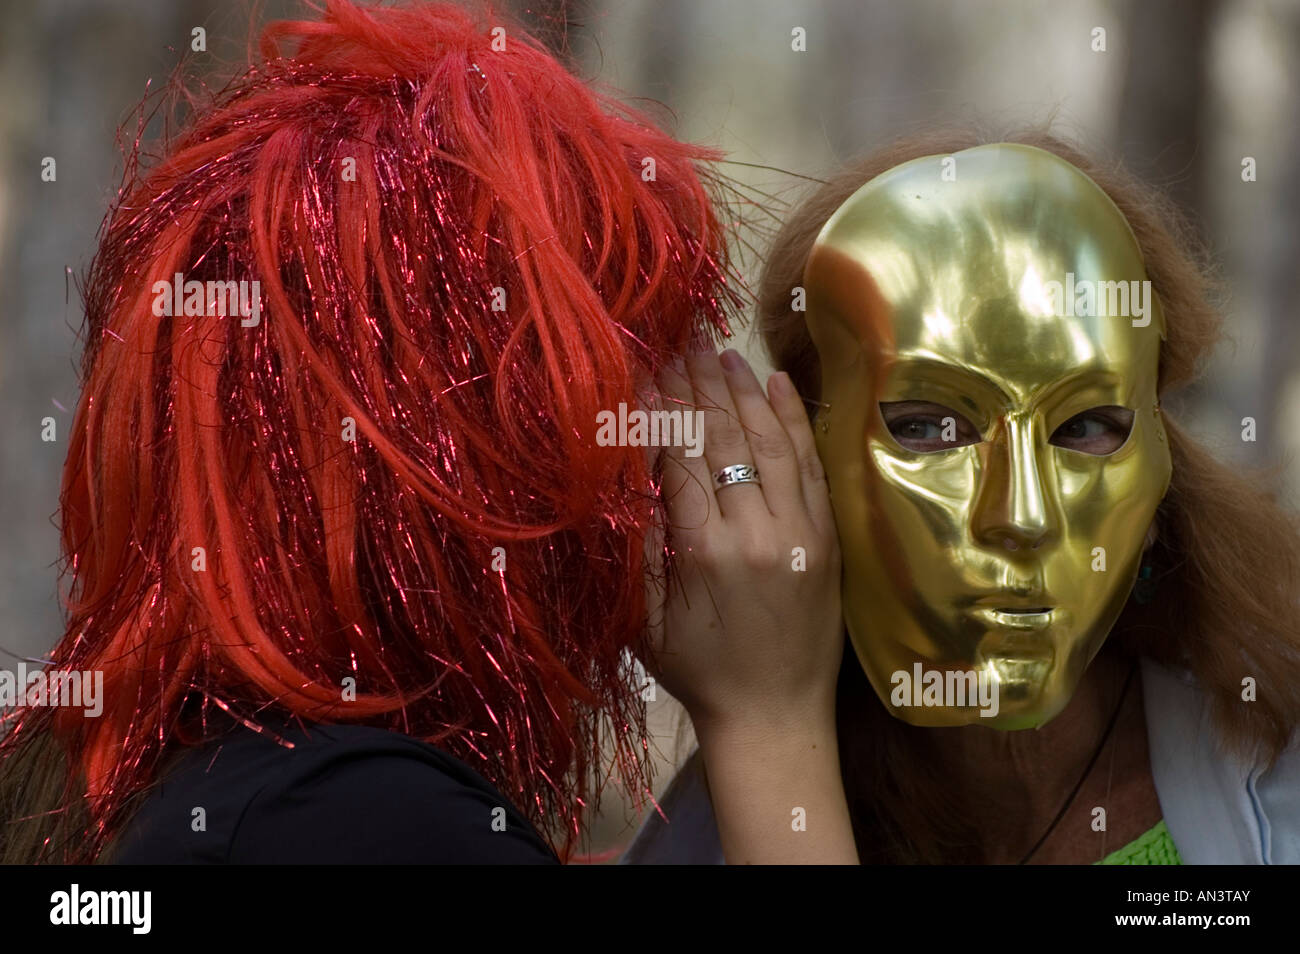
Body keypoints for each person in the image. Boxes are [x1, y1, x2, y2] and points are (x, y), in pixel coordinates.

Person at [0, 0, 857, 865]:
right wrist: (772, 725)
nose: (672, 456)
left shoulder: (204, 781)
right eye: (630, 382)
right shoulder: (361, 819)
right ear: (487, 452)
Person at [625, 129, 1300, 865]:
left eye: (1084, 427)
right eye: (932, 427)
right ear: (800, 463)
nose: (1022, 516)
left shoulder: (1278, 777)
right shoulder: (711, 828)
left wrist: (768, 732)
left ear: (1160, 471)